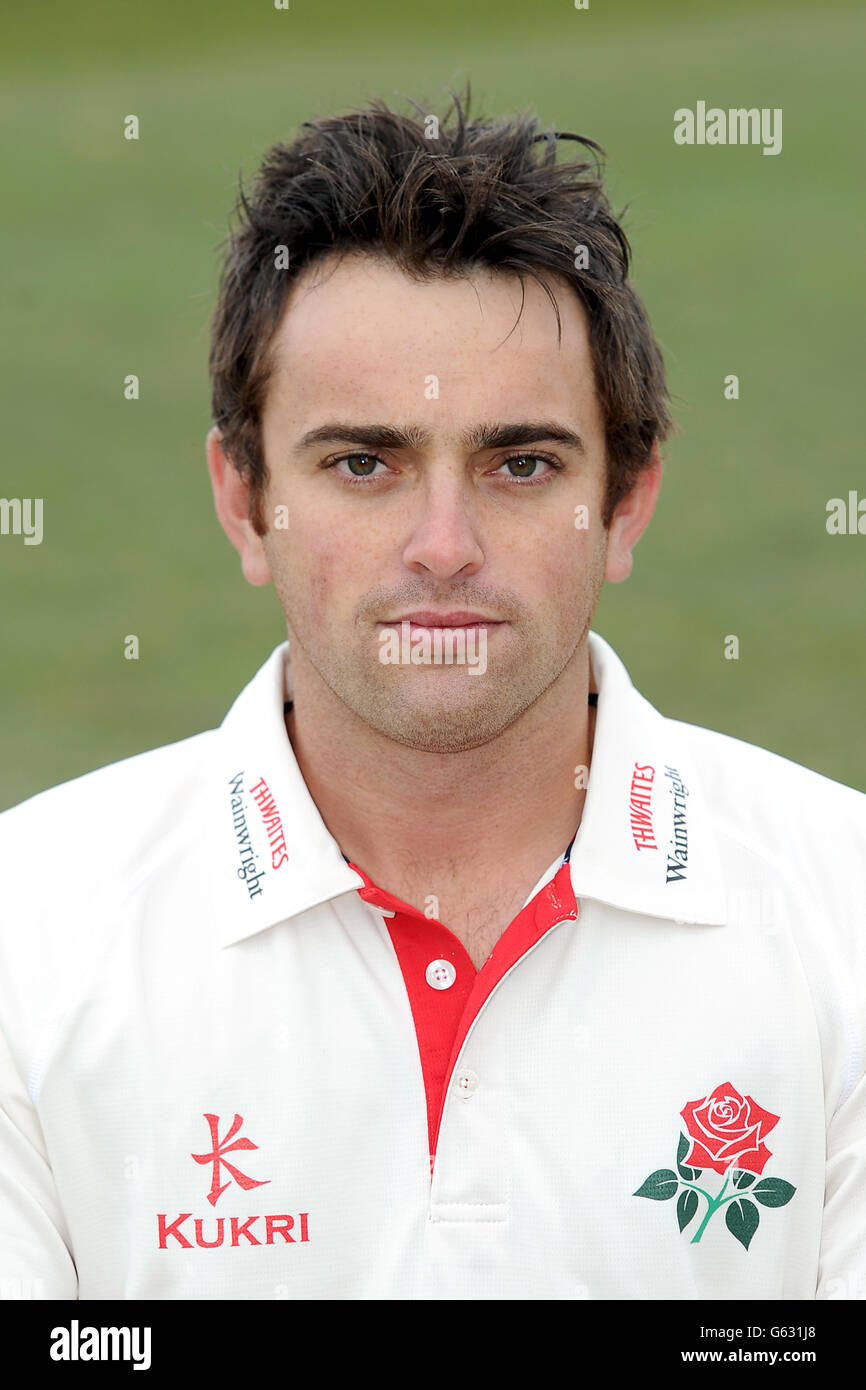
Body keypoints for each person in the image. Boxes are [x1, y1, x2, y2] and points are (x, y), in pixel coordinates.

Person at [0, 91, 863, 1302]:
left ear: (625, 502)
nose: (443, 545)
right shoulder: (25, 936)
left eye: (520, 464)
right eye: (364, 463)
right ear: (244, 502)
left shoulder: (844, 912)